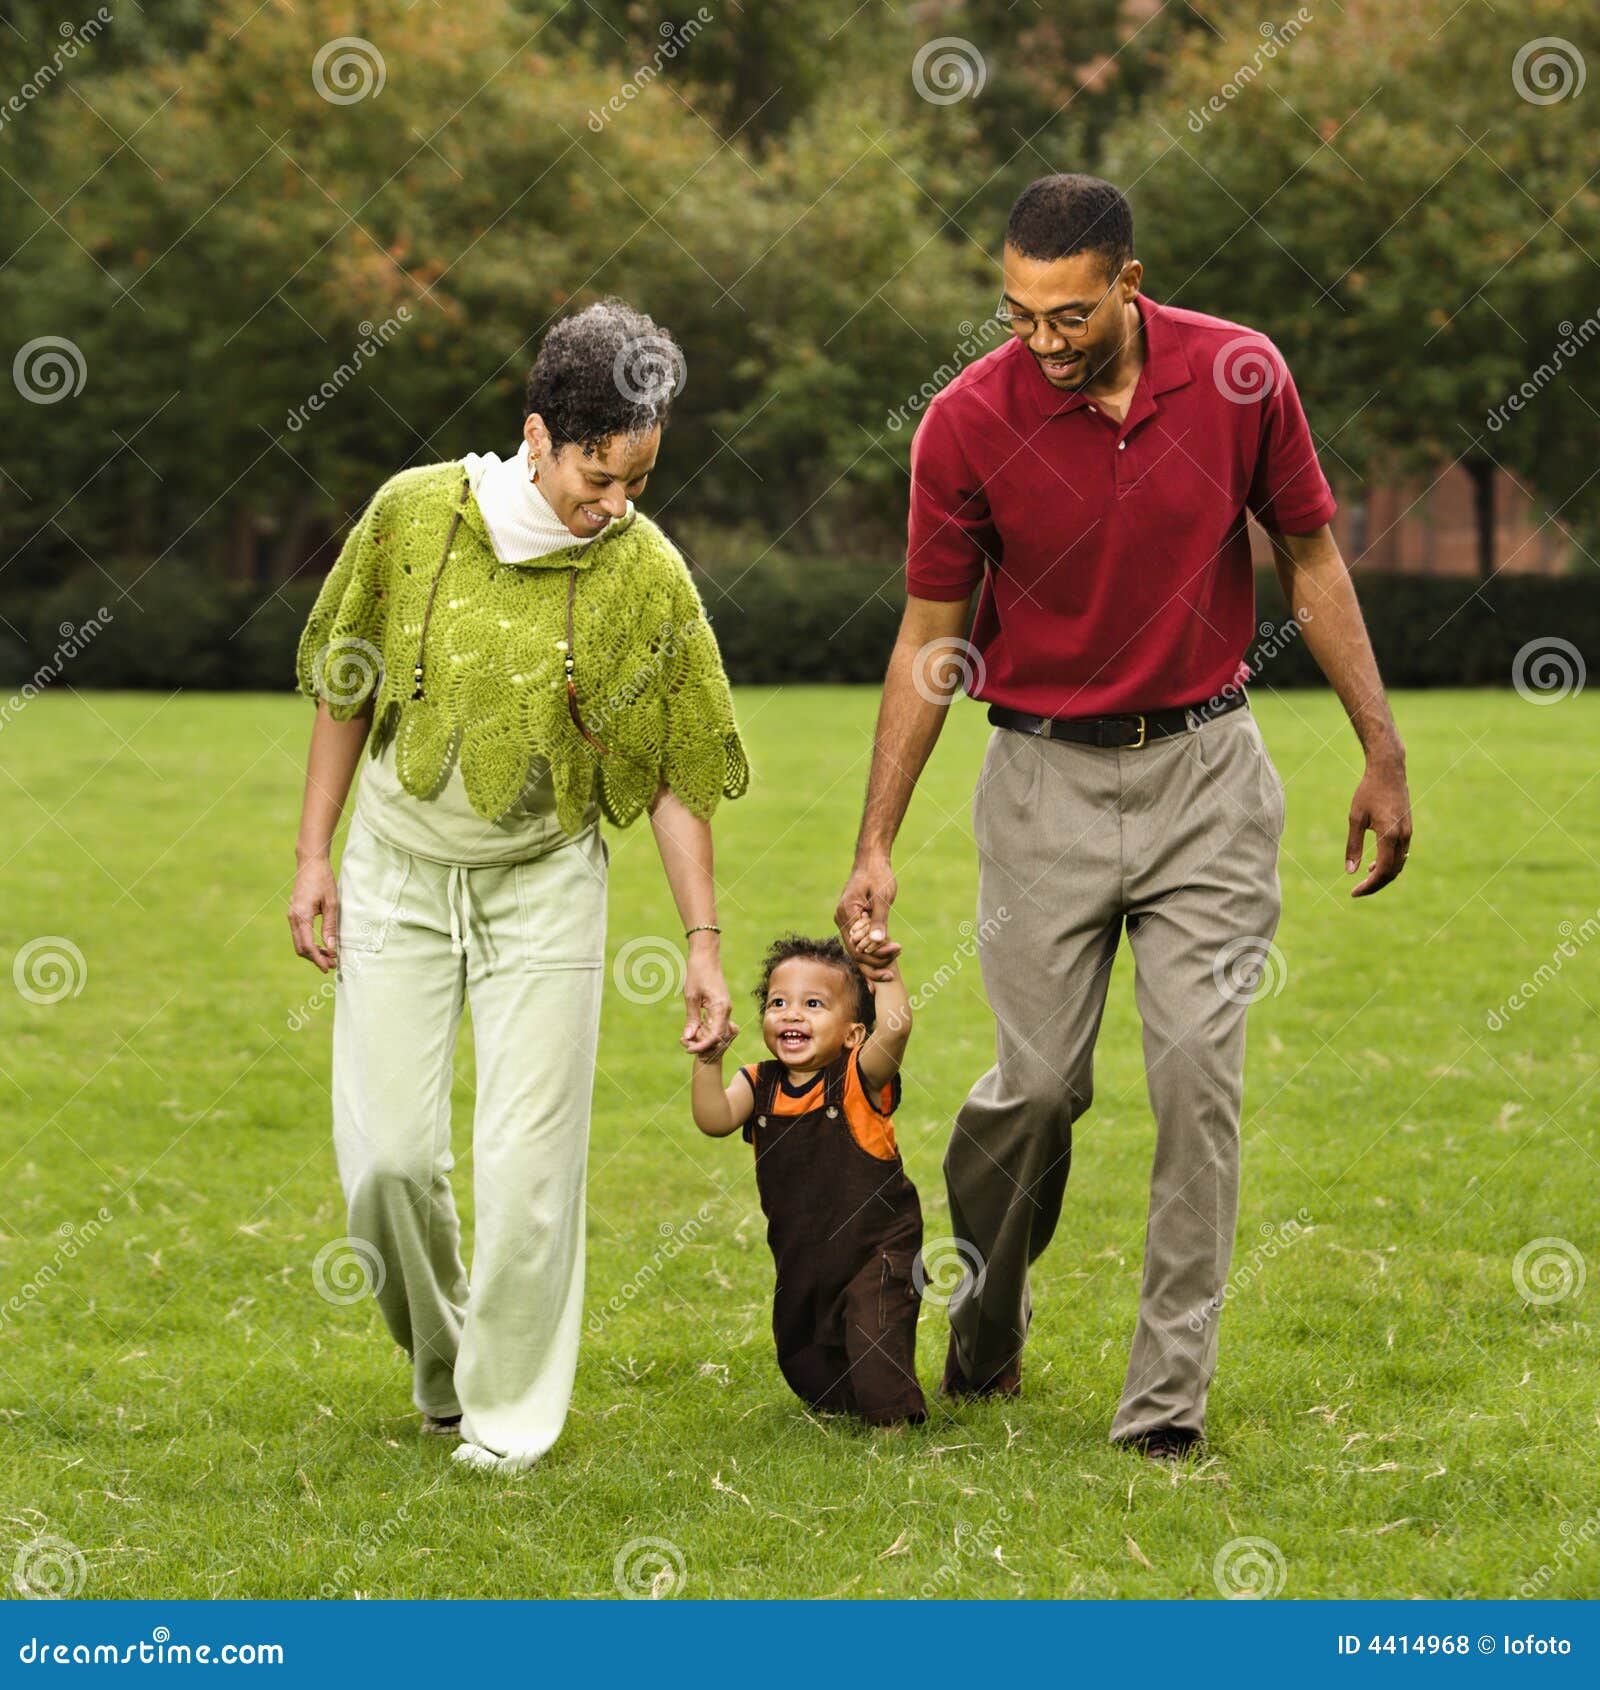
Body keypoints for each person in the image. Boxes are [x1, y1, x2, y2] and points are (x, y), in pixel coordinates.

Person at [837, 174, 1413, 1463]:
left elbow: (1310, 557)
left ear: (1130, 287)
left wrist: (1380, 749)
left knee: (1198, 1079)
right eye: (1018, 314)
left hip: (1206, 771)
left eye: (1069, 316)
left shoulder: (1241, 376)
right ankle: (987, 1312)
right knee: (1034, 1092)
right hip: (1039, 780)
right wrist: (876, 838)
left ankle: (1164, 1405)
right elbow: (931, 634)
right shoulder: (964, 424)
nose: (1039, 340)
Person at [287, 298, 749, 1473]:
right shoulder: (412, 515)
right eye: (600, 476)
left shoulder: (644, 574)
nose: (618, 504)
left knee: (528, 1175)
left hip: (543, 884)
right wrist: (314, 857)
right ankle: (445, 1370)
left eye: (639, 478)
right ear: (537, 434)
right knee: (387, 1162)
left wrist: (701, 939)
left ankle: (506, 1422)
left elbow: (675, 772)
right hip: (395, 874)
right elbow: (348, 683)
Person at [690, 929, 926, 1427]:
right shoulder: (758, 1084)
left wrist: (883, 972)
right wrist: (709, 1059)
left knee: (874, 1325)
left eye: (814, 1004)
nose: (792, 1014)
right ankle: (850, 1401)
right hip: (801, 1250)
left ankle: (893, 1423)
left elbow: (898, 1028)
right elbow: (713, 1119)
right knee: (806, 1353)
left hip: (877, 1243)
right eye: (779, 1002)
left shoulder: (861, 1078)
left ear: (852, 1033)